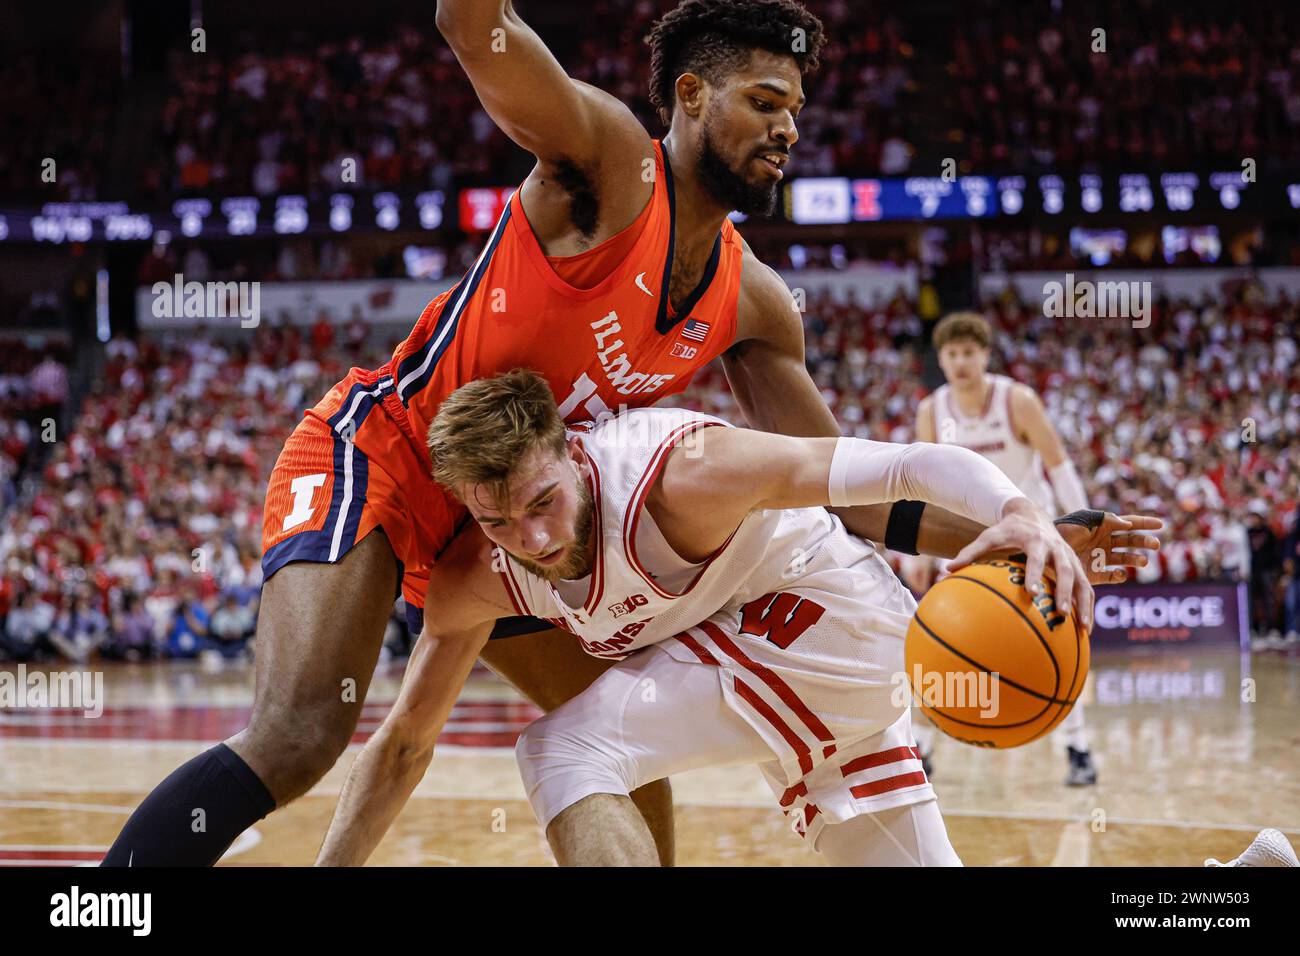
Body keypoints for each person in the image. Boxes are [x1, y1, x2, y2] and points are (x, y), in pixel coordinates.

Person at [105, 0, 1093, 866]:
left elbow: (857, 497)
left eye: (796, 107)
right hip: (391, 454)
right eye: (764, 99)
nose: (788, 125)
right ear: (692, 95)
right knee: (302, 732)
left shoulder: (752, 300)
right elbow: (468, 23)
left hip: (517, 525)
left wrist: (1018, 543)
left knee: (610, 747)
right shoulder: (610, 163)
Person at [315, 370, 1161, 866]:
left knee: (562, 748)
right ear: (467, 511)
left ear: (574, 453)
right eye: (499, 521)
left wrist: (1016, 511)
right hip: (787, 664)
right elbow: (402, 746)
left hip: (819, 615)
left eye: (543, 501)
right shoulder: (480, 577)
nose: (532, 539)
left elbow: (898, 464)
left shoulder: (684, 473)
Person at [909, 312, 1099, 786]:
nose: (960, 362)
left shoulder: (1018, 400)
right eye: (951, 354)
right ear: (942, 360)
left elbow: (1060, 466)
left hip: (1035, 540)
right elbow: (921, 487)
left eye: (969, 352)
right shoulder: (932, 410)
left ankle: (1078, 749)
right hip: (970, 542)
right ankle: (922, 750)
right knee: (941, 640)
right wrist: (918, 555)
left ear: (986, 355)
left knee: (1059, 641)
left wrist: (1086, 532)